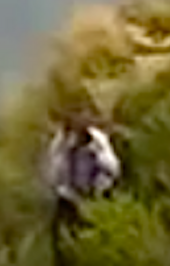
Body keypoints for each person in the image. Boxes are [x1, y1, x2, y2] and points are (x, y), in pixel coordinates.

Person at [41, 110, 122, 266]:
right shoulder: (61, 144)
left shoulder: (98, 143)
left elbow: (112, 169)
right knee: (62, 242)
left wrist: (97, 190)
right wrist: (70, 194)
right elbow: (55, 173)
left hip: (96, 196)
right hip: (69, 197)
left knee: (98, 239)